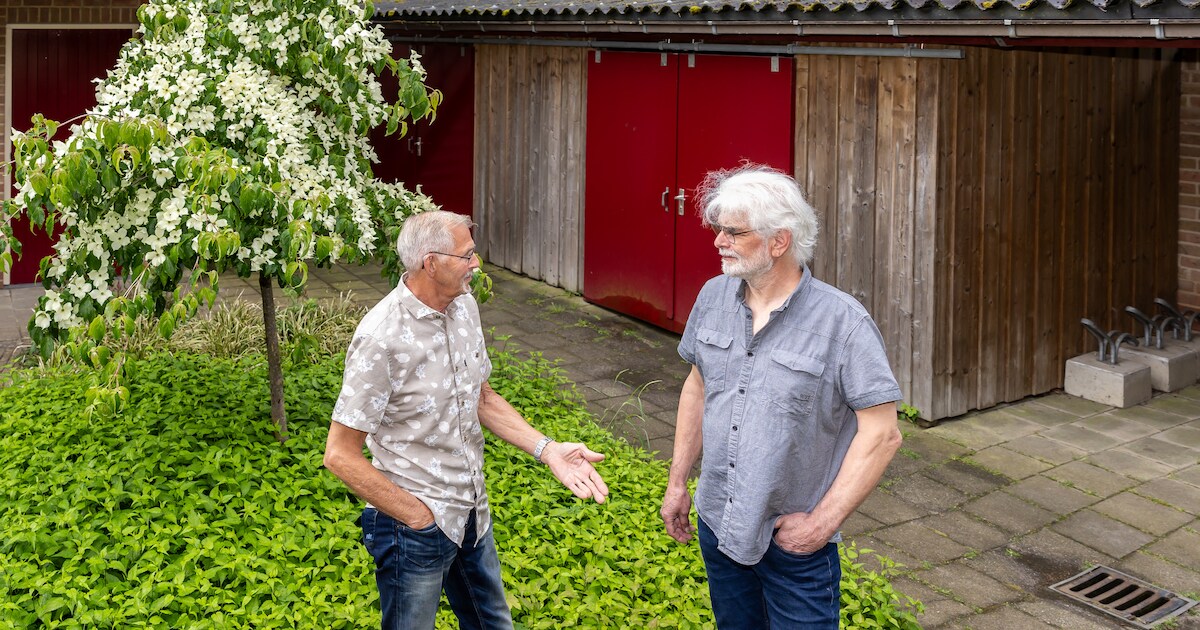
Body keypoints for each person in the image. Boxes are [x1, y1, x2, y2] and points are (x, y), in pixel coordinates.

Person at [324, 210, 609, 630]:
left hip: (472, 511)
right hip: (415, 526)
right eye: (467, 256)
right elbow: (339, 456)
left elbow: (482, 397)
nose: (477, 265)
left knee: (493, 624)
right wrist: (418, 516)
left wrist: (548, 451)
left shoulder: (464, 308)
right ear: (430, 262)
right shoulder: (380, 338)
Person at [659, 165, 903, 629]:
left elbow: (882, 433)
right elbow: (698, 386)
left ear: (779, 241)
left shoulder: (843, 324)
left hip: (793, 545)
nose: (718, 241)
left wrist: (821, 524)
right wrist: (677, 484)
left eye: (734, 232)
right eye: (718, 229)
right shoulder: (713, 296)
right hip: (718, 521)